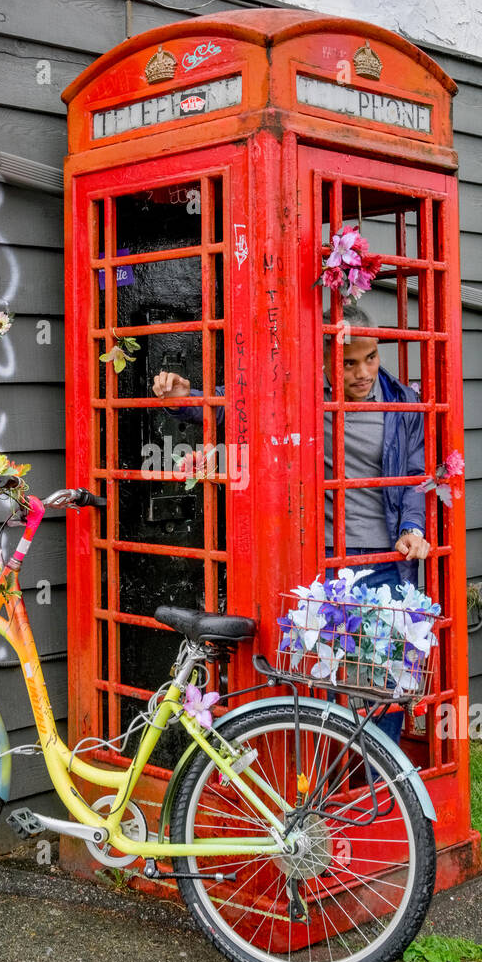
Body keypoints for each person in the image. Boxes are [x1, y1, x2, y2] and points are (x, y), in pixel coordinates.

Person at [151, 305, 431, 742]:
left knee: (387, 677)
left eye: (371, 357)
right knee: (322, 678)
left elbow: (416, 475)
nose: (363, 372)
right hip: (322, 562)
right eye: (348, 362)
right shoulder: (297, 396)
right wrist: (185, 399)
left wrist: (414, 527)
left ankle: (381, 784)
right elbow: (236, 407)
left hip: (384, 560)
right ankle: (324, 784)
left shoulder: (403, 402)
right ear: (322, 361)